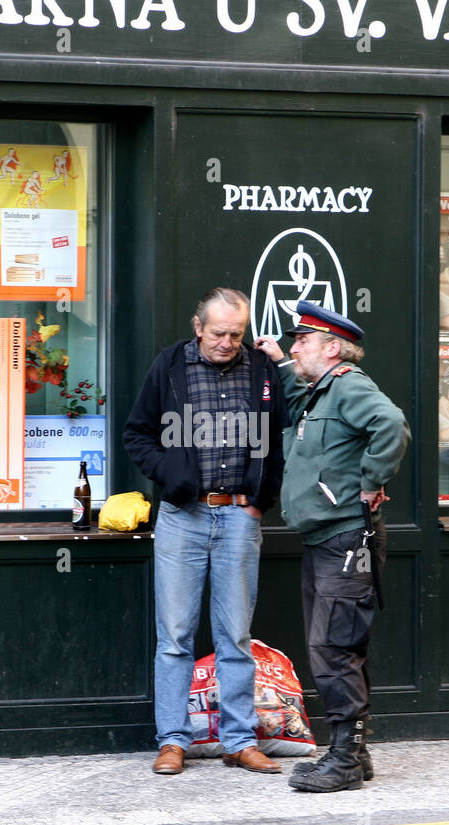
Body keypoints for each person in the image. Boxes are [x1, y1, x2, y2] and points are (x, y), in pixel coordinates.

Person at [123, 288, 290, 775]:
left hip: (240, 514)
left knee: (234, 636)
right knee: (175, 635)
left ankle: (239, 741)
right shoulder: (170, 365)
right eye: (218, 333)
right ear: (199, 327)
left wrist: (262, 500)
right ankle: (173, 741)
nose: (227, 342)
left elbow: (279, 436)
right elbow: (138, 433)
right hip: (183, 516)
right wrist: (169, 474)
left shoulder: (260, 369)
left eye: (236, 333)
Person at [255, 302, 410, 792]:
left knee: (333, 649)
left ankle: (343, 761)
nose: (296, 345)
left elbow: (392, 425)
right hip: (327, 539)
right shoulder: (322, 391)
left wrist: (370, 482)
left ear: (332, 347)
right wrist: (283, 362)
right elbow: (297, 408)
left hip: (347, 537)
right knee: (338, 647)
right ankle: (352, 756)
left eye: (302, 340)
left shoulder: (348, 386)